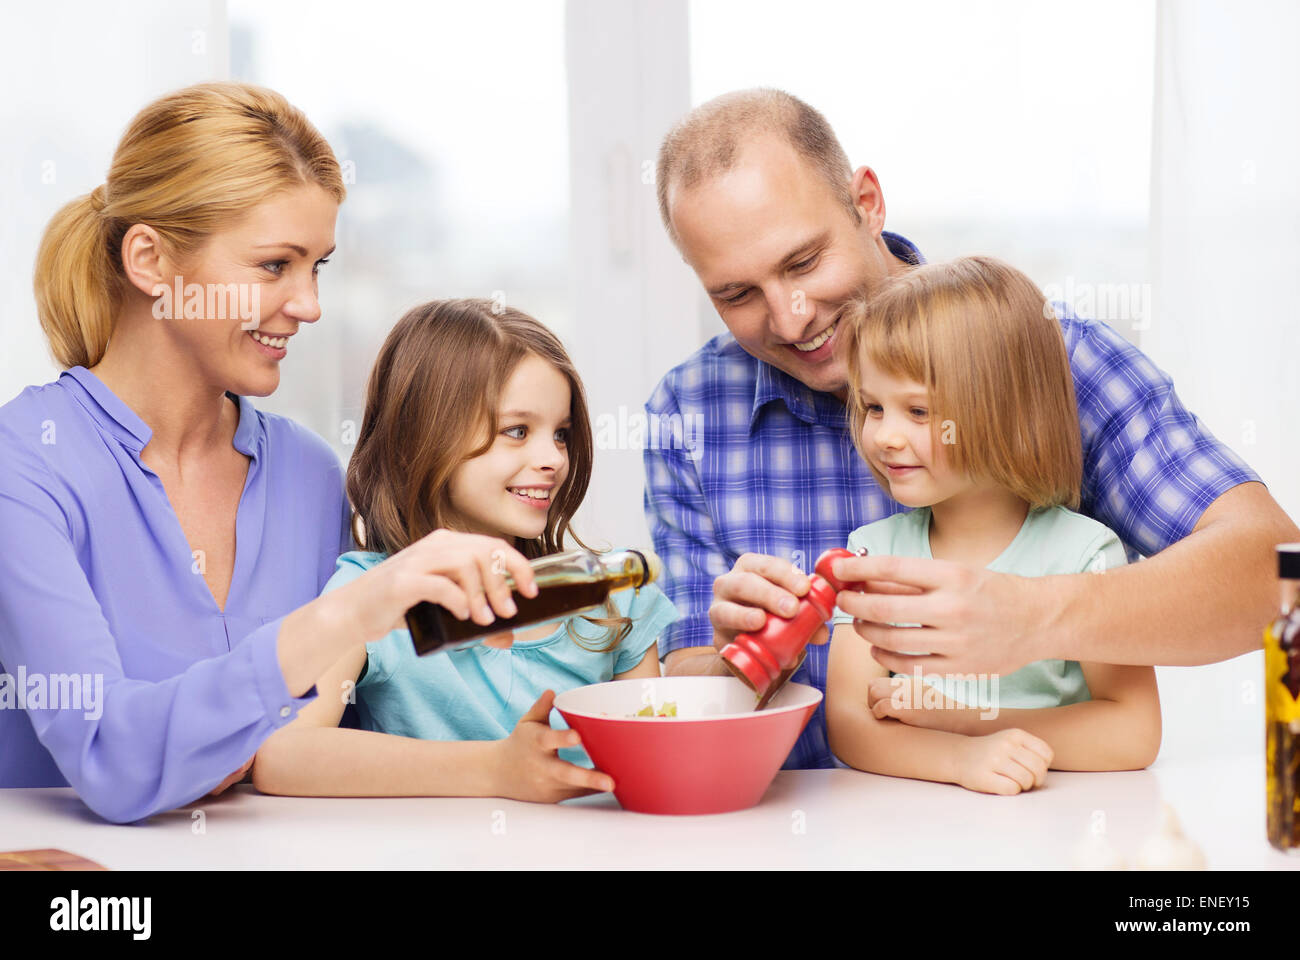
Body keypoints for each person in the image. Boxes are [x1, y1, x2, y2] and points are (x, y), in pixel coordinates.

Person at [644, 87, 1296, 770]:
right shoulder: (688, 411)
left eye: (803, 263)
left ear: (866, 203)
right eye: (737, 294)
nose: (790, 317)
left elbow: (1276, 573)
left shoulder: (1043, 355)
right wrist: (739, 667)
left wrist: (1032, 615)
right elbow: (689, 699)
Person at [0, 83, 534, 823]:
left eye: (318, 265)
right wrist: (353, 610)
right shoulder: (25, 465)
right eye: (275, 265)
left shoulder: (310, 474)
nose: (309, 303)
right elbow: (112, 758)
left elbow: (332, 731)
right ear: (151, 260)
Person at [252, 299, 677, 802]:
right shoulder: (375, 600)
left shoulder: (614, 604)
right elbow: (283, 757)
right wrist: (496, 770)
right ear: (423, 438)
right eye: (516, 431)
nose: (551, 459)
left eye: (560, 434)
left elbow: (660, 763)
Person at [825, 256, 1161, 794]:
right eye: (872, 407)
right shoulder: (871, 556)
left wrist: (964, 721)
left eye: (917, 411)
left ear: (1006, 411)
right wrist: (960, 760)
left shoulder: (1086, 554)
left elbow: (1133, 732)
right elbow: (848, 723)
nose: (884, 436)